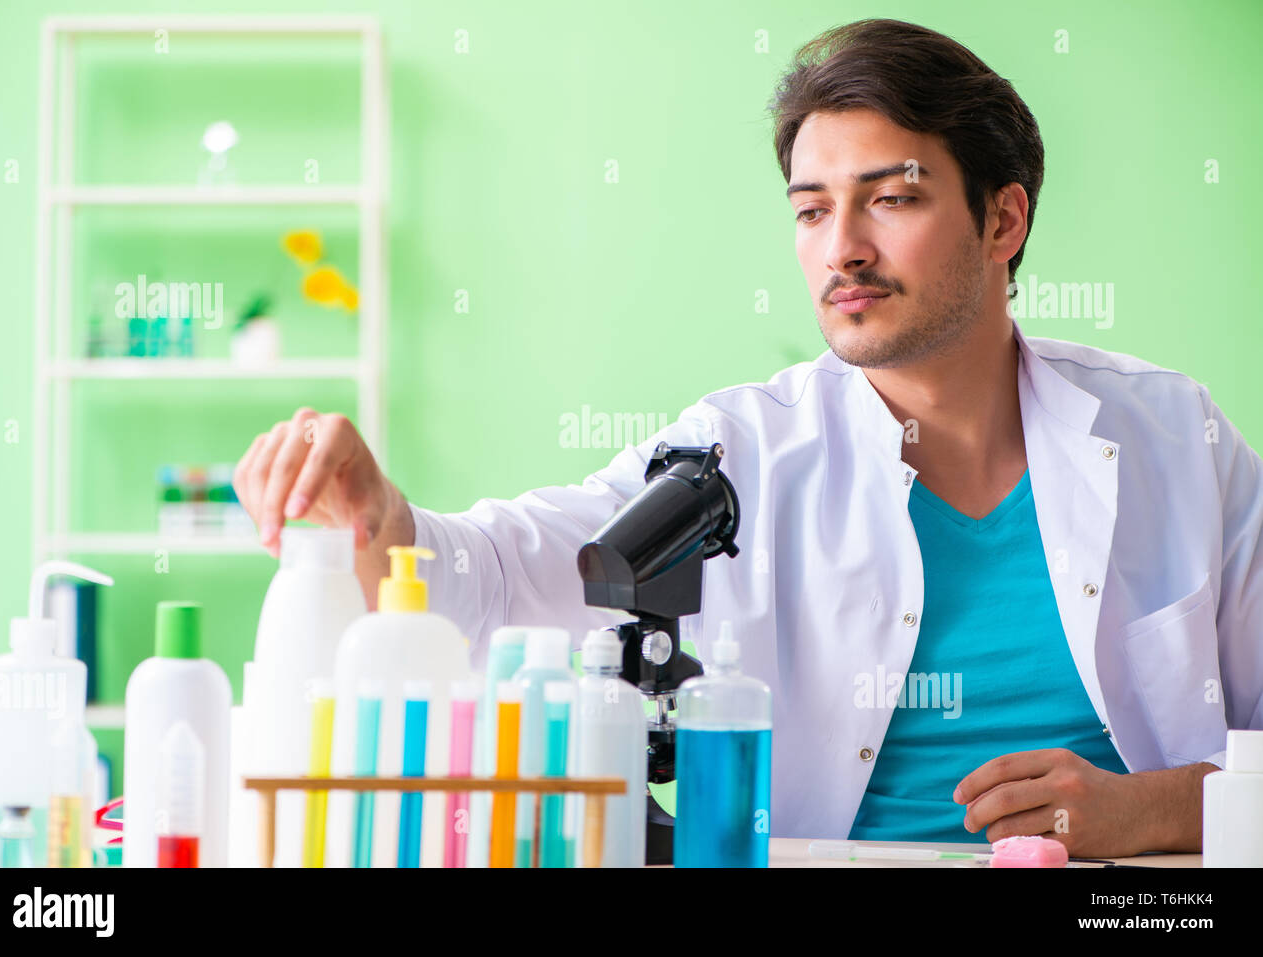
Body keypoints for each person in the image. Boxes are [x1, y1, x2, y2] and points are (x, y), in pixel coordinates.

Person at [232, 19, 1262, 857]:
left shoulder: (1175, 438)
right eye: (811, 212)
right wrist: (381, 519)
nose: (841, 250)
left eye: (890, 199)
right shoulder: (740, 451)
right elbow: (518, 569)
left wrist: (1159, 811)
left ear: (1002, 222)